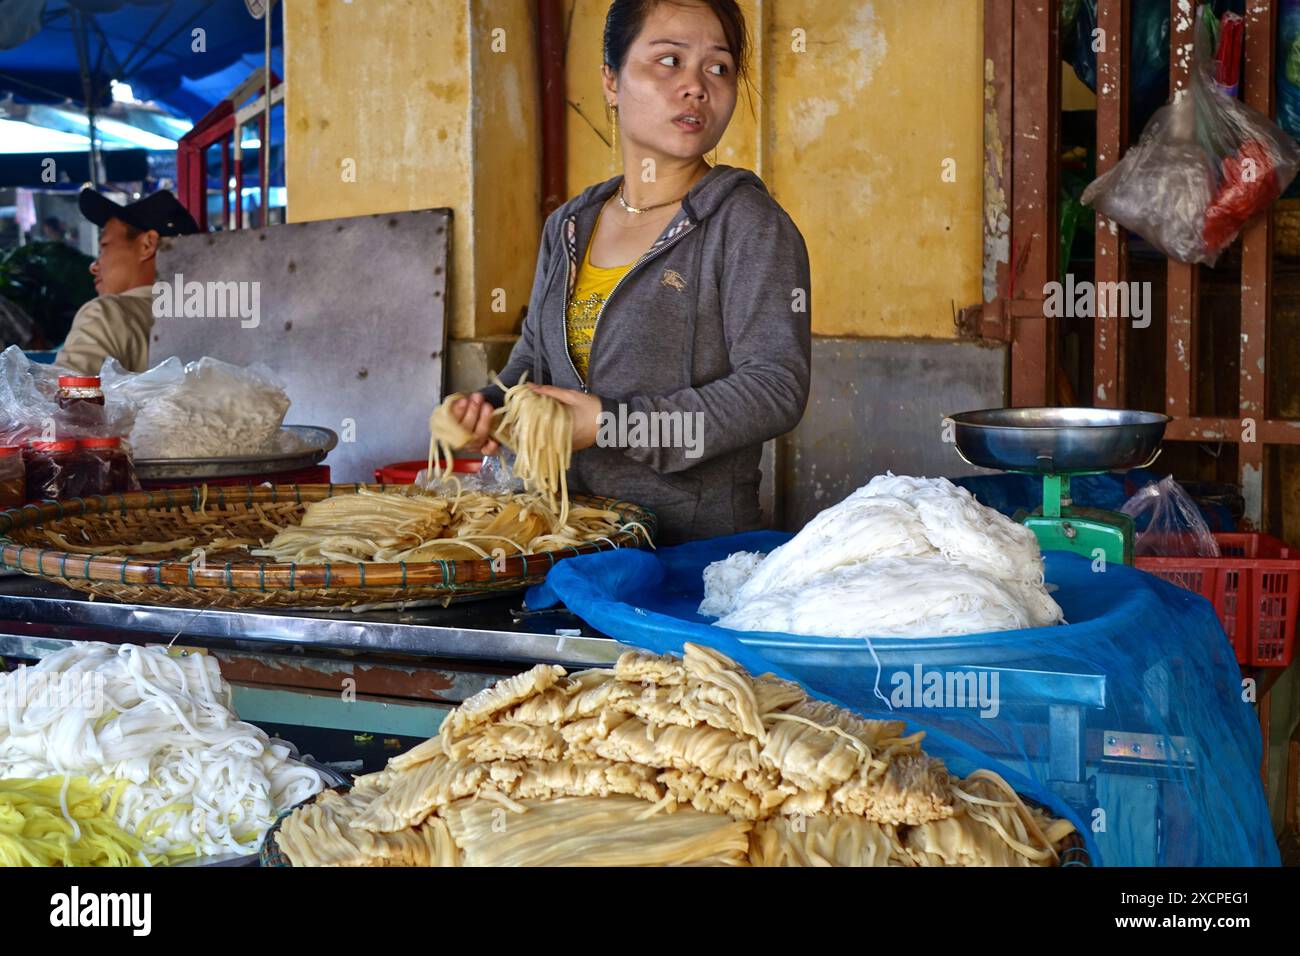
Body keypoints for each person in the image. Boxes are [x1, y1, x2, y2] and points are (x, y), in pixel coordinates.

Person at [455, 0, 811, 545]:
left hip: (688, 557)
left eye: (718, 68)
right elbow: (532, 362)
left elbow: (773, 389)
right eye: (669, 61)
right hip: (559, 539)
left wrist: (610, 423)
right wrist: (489, 406)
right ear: (611, 82)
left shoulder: (747, 225)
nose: (696, 86)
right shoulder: (570, 225)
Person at [55, 188, 199, 374]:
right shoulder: (212, 315)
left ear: (148, 245)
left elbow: (66, 395)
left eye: (104, 247)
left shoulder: (105, 313)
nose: (94, 266)